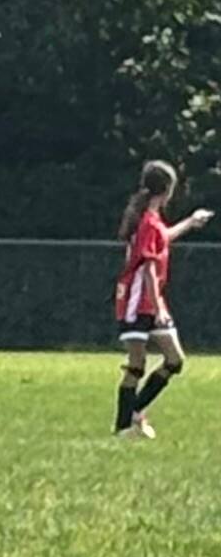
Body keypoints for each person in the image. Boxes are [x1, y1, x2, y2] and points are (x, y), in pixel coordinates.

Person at [114, 159, 210, 438]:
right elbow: (148, 271)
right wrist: (158, 310)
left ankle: (134, 412)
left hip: (150, 300)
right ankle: (123, 428)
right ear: (167, 189)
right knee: (136, 365)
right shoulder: (148, 222)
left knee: (174, 360)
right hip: (137, 300)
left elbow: (162, 239)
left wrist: (190, 222)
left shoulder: (151, 222)